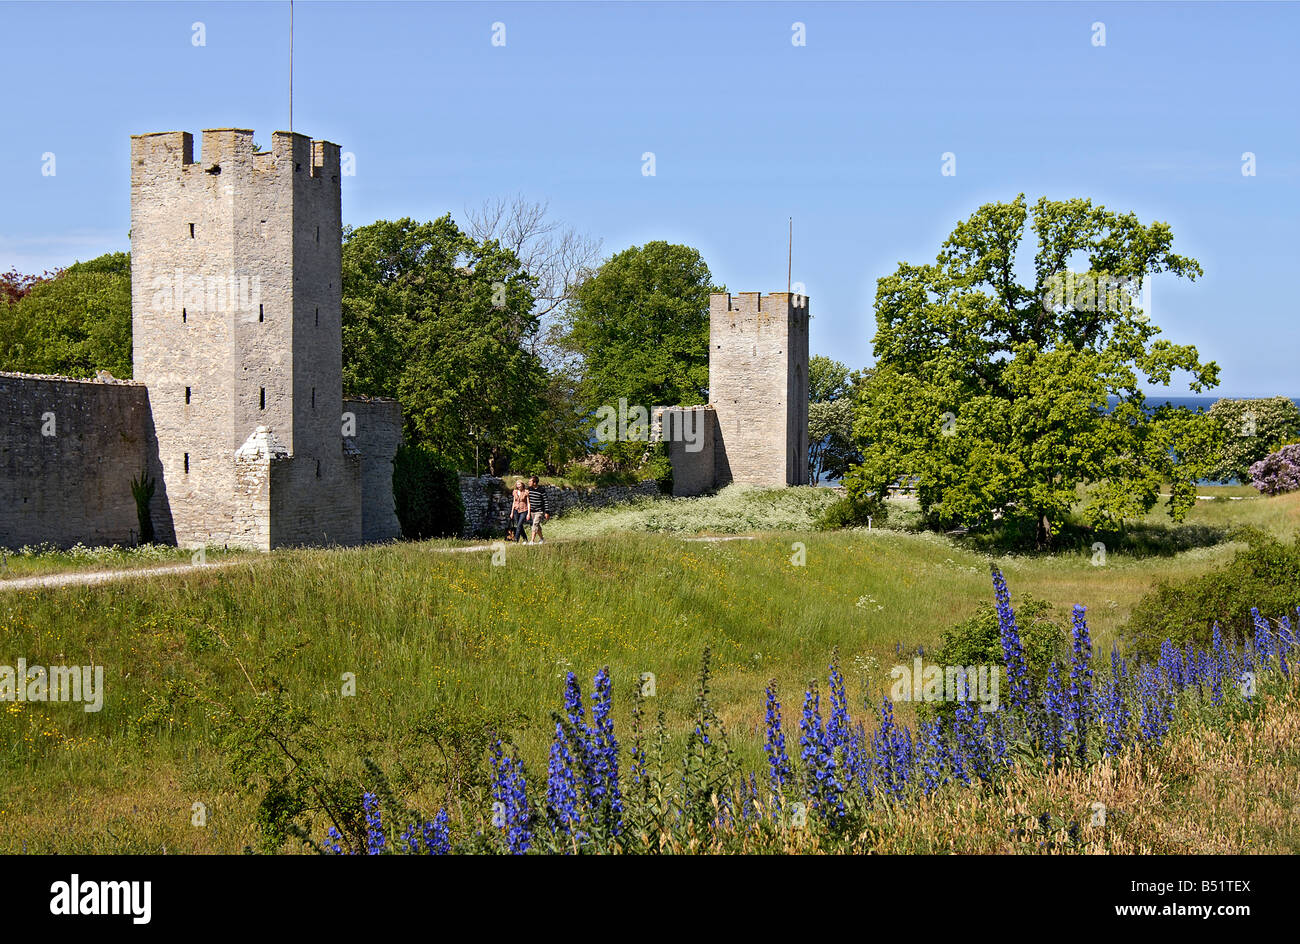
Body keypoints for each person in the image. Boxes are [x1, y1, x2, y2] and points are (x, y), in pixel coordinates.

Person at [527, 474, 549, 544]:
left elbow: (546, 501)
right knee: (537, 526)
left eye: (530, 481)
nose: (528, 483)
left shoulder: (541, 490)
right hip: (532, 511)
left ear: (534, 483)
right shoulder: (529, 489)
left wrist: (547, 512)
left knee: (535, 524)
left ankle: (532, 541)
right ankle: (542, 539)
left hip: (539, 511)